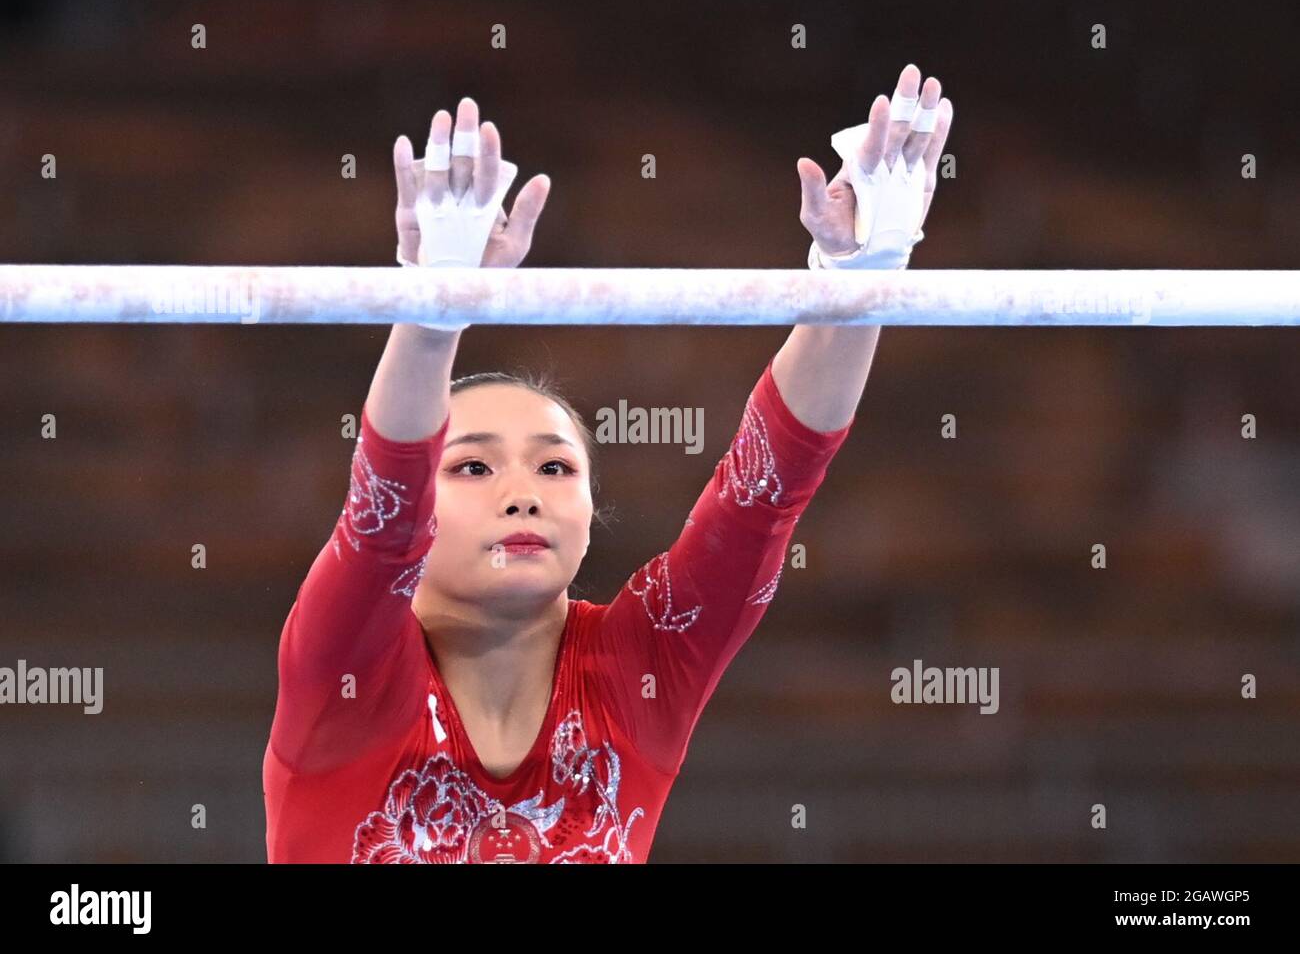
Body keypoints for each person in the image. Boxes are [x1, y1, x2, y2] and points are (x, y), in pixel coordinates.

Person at [263, 64, 953, 863]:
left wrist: (863, 282)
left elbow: (763, 495)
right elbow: (381, 519)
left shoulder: (643, 667)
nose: (523, 495)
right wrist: (430, 315)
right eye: (474, 468)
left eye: (555, 468)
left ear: (592, 510)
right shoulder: (345, 670)